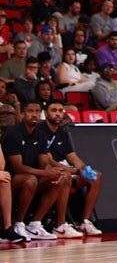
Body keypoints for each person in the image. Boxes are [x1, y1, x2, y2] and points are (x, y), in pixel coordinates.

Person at [3, 100, 77, 239]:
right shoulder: (14, 133)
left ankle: (35, 224)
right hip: (12, 180)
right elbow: (17, 167)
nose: (34, 115)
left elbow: (44, 163)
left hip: (34, 177)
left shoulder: (40, 135)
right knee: (30, 180)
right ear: (24, 113)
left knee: (62, 176)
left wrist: (52, 172)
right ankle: (19, 224)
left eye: (37, 112)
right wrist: (45, 173)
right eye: (30, 111)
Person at [36, 99, 103, 235]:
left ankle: (85, 222)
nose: (58, 114)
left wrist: (83, 167)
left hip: (68, 170)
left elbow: (72, 156)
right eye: (54, 111)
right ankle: (60, 224)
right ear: (46, 113)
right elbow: (49, 159)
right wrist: (72, 170)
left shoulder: (62, 131)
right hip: (50, 171)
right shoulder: (40, 131)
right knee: (65, 176)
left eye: (60, 111)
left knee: (96, 176)